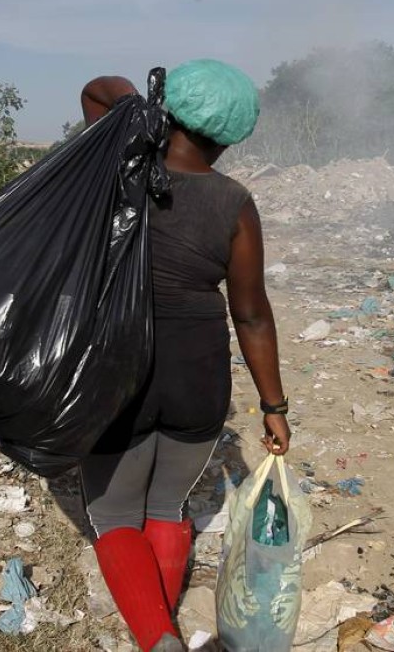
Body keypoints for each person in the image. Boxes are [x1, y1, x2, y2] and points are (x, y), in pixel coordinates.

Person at [78, 60, 291, 652]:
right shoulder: (234, 203)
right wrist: (273, 406)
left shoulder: (116, 172)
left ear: (167, 109)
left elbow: (97, 89)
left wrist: (138, 106)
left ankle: (157, 640)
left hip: (119, 366)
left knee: (116, 515)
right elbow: (251, 313)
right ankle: (166, 624)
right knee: (168, 503)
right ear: (230, 137)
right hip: (198, 370)